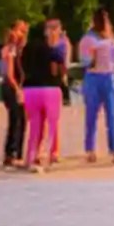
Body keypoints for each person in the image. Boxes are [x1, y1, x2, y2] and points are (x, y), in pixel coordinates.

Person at [80, 9, 114, 165]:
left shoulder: (111, 39)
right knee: (91, 115)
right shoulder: (88, 39)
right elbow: (86, 62)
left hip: (110, 77)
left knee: (112, 116)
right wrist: (94, 55)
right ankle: (90, 149)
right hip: (94, 77)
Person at [21, 22, 66, 173]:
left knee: (35, 127)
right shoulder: (51, 49)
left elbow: (23, 68)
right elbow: (57, 68)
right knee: (51, 126)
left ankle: (31, 158)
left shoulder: (26, 49)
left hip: (30, 90)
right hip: (50, 89)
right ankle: (45, 157)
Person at [0, 20, 28, 168]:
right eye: (20, 30)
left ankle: (17, 152)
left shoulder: (19, 50)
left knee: (21, 120)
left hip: (17, 86)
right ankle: (12, 152)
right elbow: (10, 74)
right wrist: (17, 89)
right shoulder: (10, 49)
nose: (22, 34)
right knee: (16, 119)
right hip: (11, 87)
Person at [46, 18, 72, 164]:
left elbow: (64, 65)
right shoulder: (45, 45)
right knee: (44, 120)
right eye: (49, 28)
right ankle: (48, 150)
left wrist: (63, 78)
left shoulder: (63, 44)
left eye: (53, 28)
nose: (50, 32)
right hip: (44, 83)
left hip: (54, 83)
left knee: (53, 119)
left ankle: (54, 151)